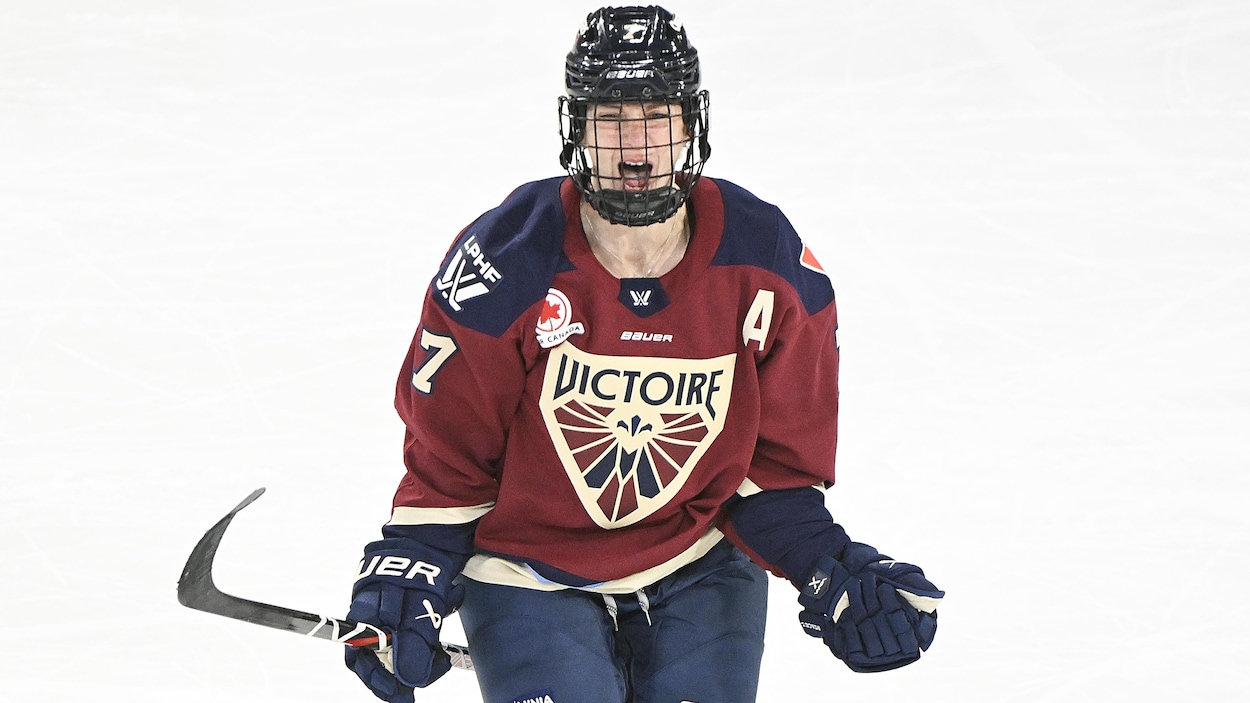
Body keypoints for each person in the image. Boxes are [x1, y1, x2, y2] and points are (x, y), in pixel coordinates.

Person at [344, 6, 943, 703]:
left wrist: (831, 567)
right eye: (611, 119)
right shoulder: (501, 267)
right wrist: (407, 575)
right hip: (525, 569)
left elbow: (770, 477)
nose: (636, 148)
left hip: (700, 561)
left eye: (656, 116)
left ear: (692, 124)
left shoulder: (771, 267)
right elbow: (450, 471)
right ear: (575, 129)